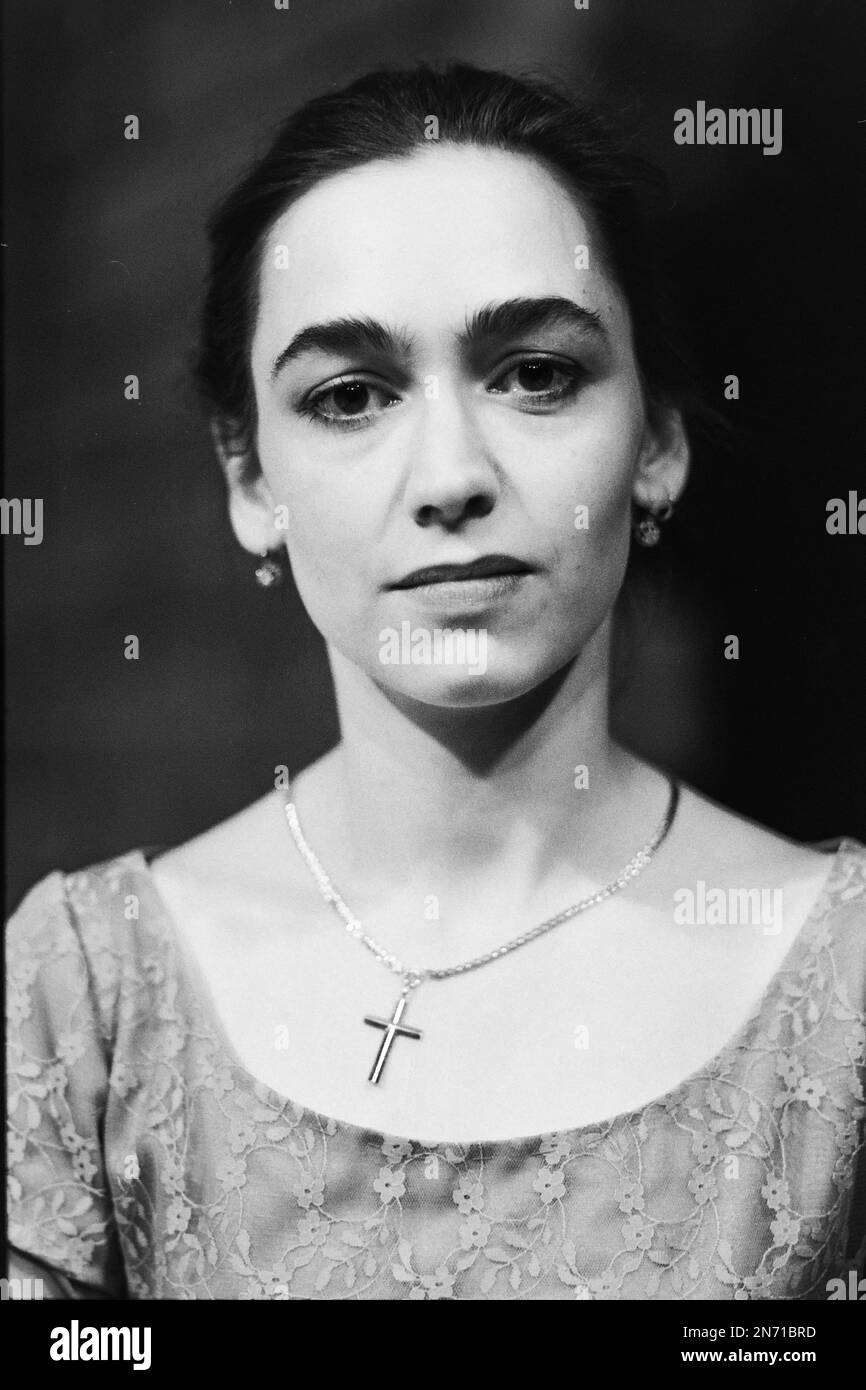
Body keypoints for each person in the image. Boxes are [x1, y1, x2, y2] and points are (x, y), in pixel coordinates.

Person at [6, 63, 864, 1301]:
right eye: (349, 396)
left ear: (659, 439)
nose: (450, 474)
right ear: (251, 482)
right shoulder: (80, 999)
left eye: (535, 373)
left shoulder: (840, 1000)